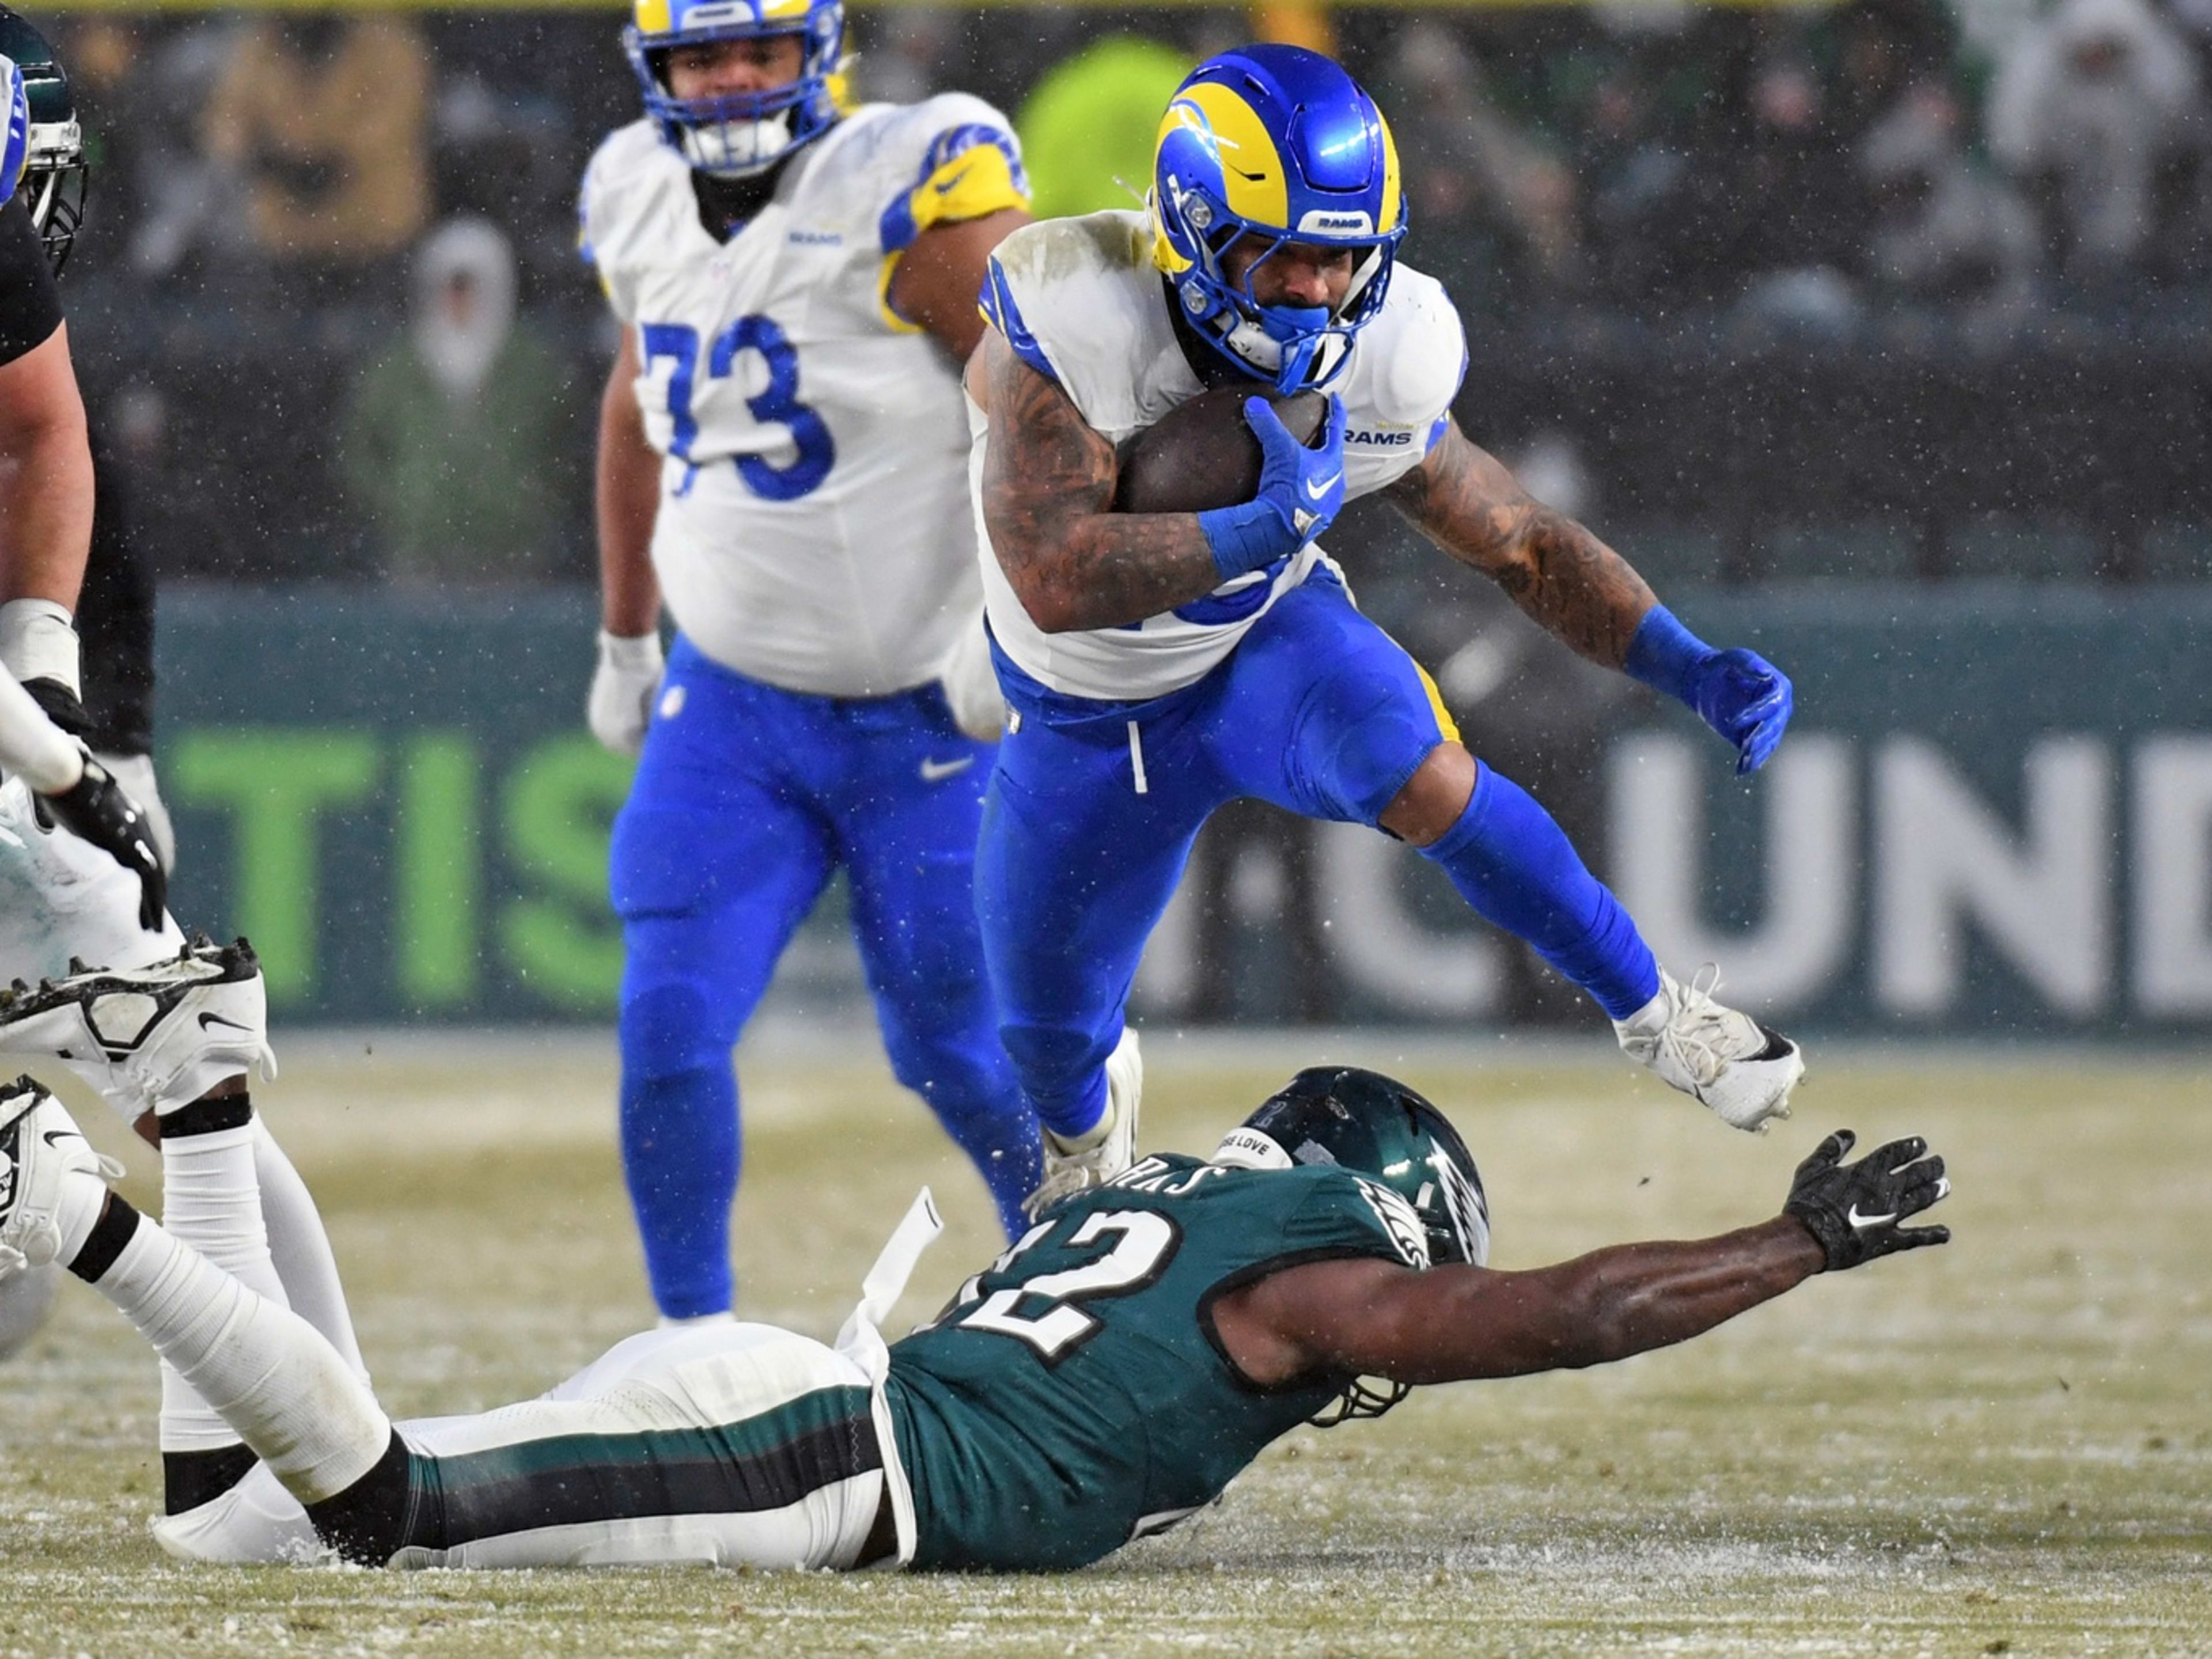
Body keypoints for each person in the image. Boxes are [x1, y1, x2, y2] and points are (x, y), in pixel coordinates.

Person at [0, 1058, 1949, 1570]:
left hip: (784, 1407)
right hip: (812, 1460)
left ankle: (206, 1103)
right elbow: (1565, 1316)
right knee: (383, 1509)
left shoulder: (1163, 1201)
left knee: (237, 1527)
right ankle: (70, 1205)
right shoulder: (1311, 1267)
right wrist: (1788, 1246)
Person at [965, 46, 1805, 1210]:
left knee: (1419, 771)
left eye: (1340, 257)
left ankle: (1659, 1013)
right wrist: (1260, 526)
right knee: (1046, 1040)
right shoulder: (1075, 308)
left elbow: (1520, 540)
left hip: (1259, 647)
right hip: (1083, 711)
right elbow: (1054, 577)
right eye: (1282, 255)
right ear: (1193, 229)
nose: (1315, 291)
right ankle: (1089, 1133)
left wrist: (1684, 661)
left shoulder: (1385, 347)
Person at [581, 0, 1040, 1321]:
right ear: (657, 69)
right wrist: (626, 632)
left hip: (930, 713)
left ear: (817, 53)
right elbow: (637, 409)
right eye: (702, 56)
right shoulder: (632, 189)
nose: (732, 80)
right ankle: (692, 1342)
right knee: (669, 1030)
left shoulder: (904, 178)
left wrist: (1016, 615)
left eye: (760, 51)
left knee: (963, 1051)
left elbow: (1047, 394)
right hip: (734, 709)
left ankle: (1081, 1286)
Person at [0, 15, 368, 1542]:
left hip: (39, 766)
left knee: (182, 1054)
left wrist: (82, 735)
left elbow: (63, 465)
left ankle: (335, 1429)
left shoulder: (44, 372)